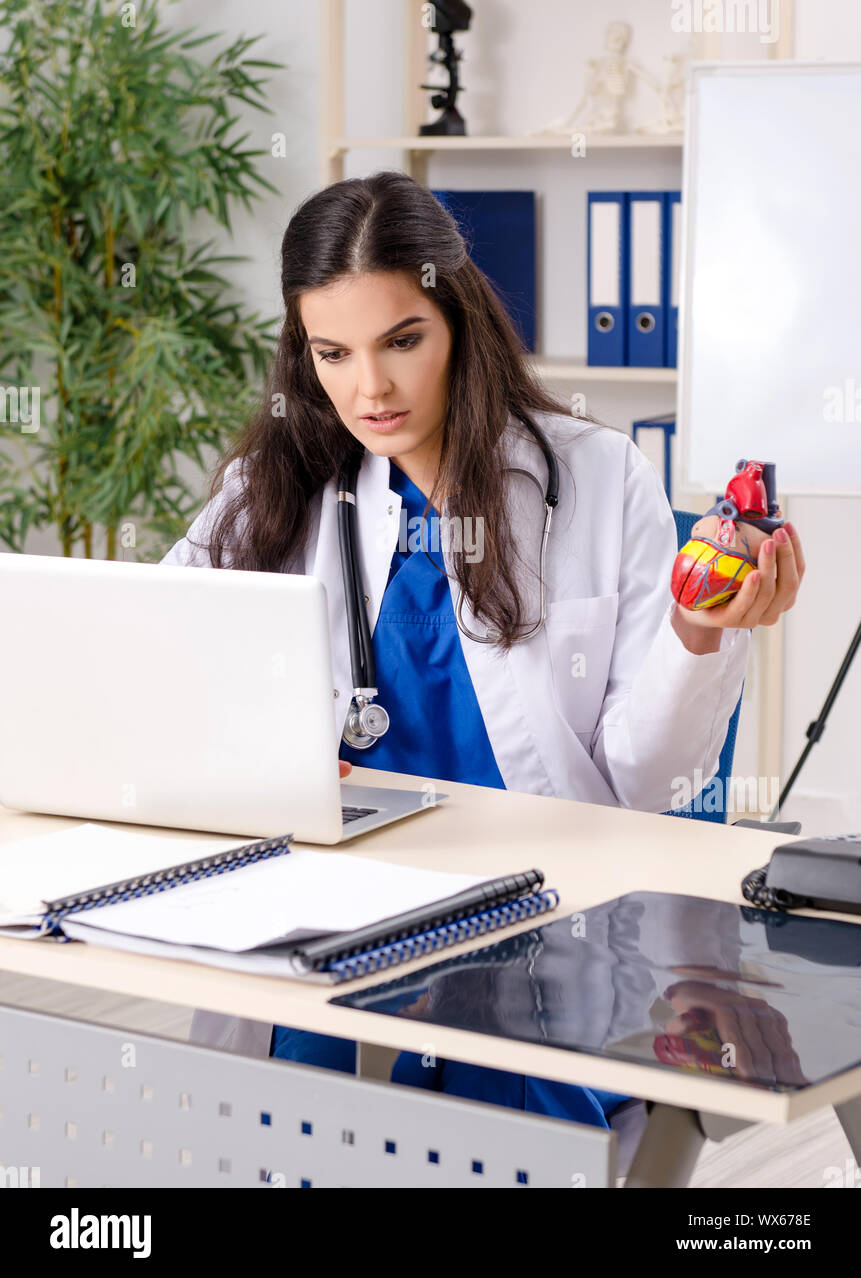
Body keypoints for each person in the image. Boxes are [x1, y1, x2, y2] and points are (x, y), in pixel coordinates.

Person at [161, 171, 805, 1129]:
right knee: (288, 1127)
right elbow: (159, 651)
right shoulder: (276, 487)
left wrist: (701, 629)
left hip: (538, 930)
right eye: (331, 353)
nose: (367, 388)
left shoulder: (594, 477)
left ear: (457, 320)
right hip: (334, 923)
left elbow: (644, 777)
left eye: (401, 341)